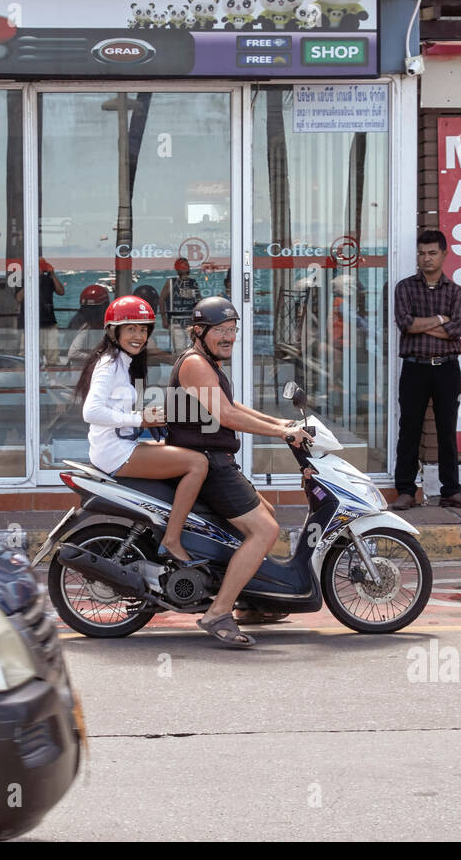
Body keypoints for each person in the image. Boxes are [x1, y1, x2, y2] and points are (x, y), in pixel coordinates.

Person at [169, 296, 314, 648]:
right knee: (265, 530)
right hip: (208, 463)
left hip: (217, 460)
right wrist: (281, 433)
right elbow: (228, 417)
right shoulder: (196, 364)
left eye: (233, 330)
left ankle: (251, 599)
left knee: (266, 514)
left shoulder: (206, 362)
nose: (229, 337)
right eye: (220, 330)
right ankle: (218, 611)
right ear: (199, 332)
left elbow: (230, 405)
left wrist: (279, 421)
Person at [78, 294, 209, 568]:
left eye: (143, 329)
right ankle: (172, 540)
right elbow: (91, 411)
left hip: (121, 446)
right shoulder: (109, 364)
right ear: (114, 332)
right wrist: (140, 420)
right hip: (115, 453)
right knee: (197, 464)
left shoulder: (122, 362)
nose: (139, 335)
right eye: (131, 329)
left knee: (188, 452)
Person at [392, 229, 461, 511]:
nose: (426, 259)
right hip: (415, 368)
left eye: (431, 253)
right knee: (410, 429)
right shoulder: (404, 287)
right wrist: (440, 319)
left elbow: (455, 331)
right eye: (421, 253)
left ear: (443, 254)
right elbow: (406, 324)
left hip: (446, 369)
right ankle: (406, 490)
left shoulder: (455, 291)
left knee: (446, 431)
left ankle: (451, 491)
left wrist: (425, 323)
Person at [15, 257, 65, 364]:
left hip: (49, 323)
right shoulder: (23, 281)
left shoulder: (49, 280)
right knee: (26, 358)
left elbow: (61, 291)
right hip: (30, 326)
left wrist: (52, 274)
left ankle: (52, 380)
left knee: (53, 357)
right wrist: (32, 280)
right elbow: (19, 298)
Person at [160, 257, 201, 352]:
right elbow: (161, 299)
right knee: (180, 350)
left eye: (186, 266)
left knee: (193, 349)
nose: (186, 268)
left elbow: (199, 300)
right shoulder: (172, 282)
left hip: (190, 320)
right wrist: (164, 318)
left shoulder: (192, 282)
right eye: (183, 266)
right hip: (176, 321)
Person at [64, 283, 110, 366]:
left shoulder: (79, 320)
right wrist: (97, 357)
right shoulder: (86, 326)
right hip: (82, 368)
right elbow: (73, 353)